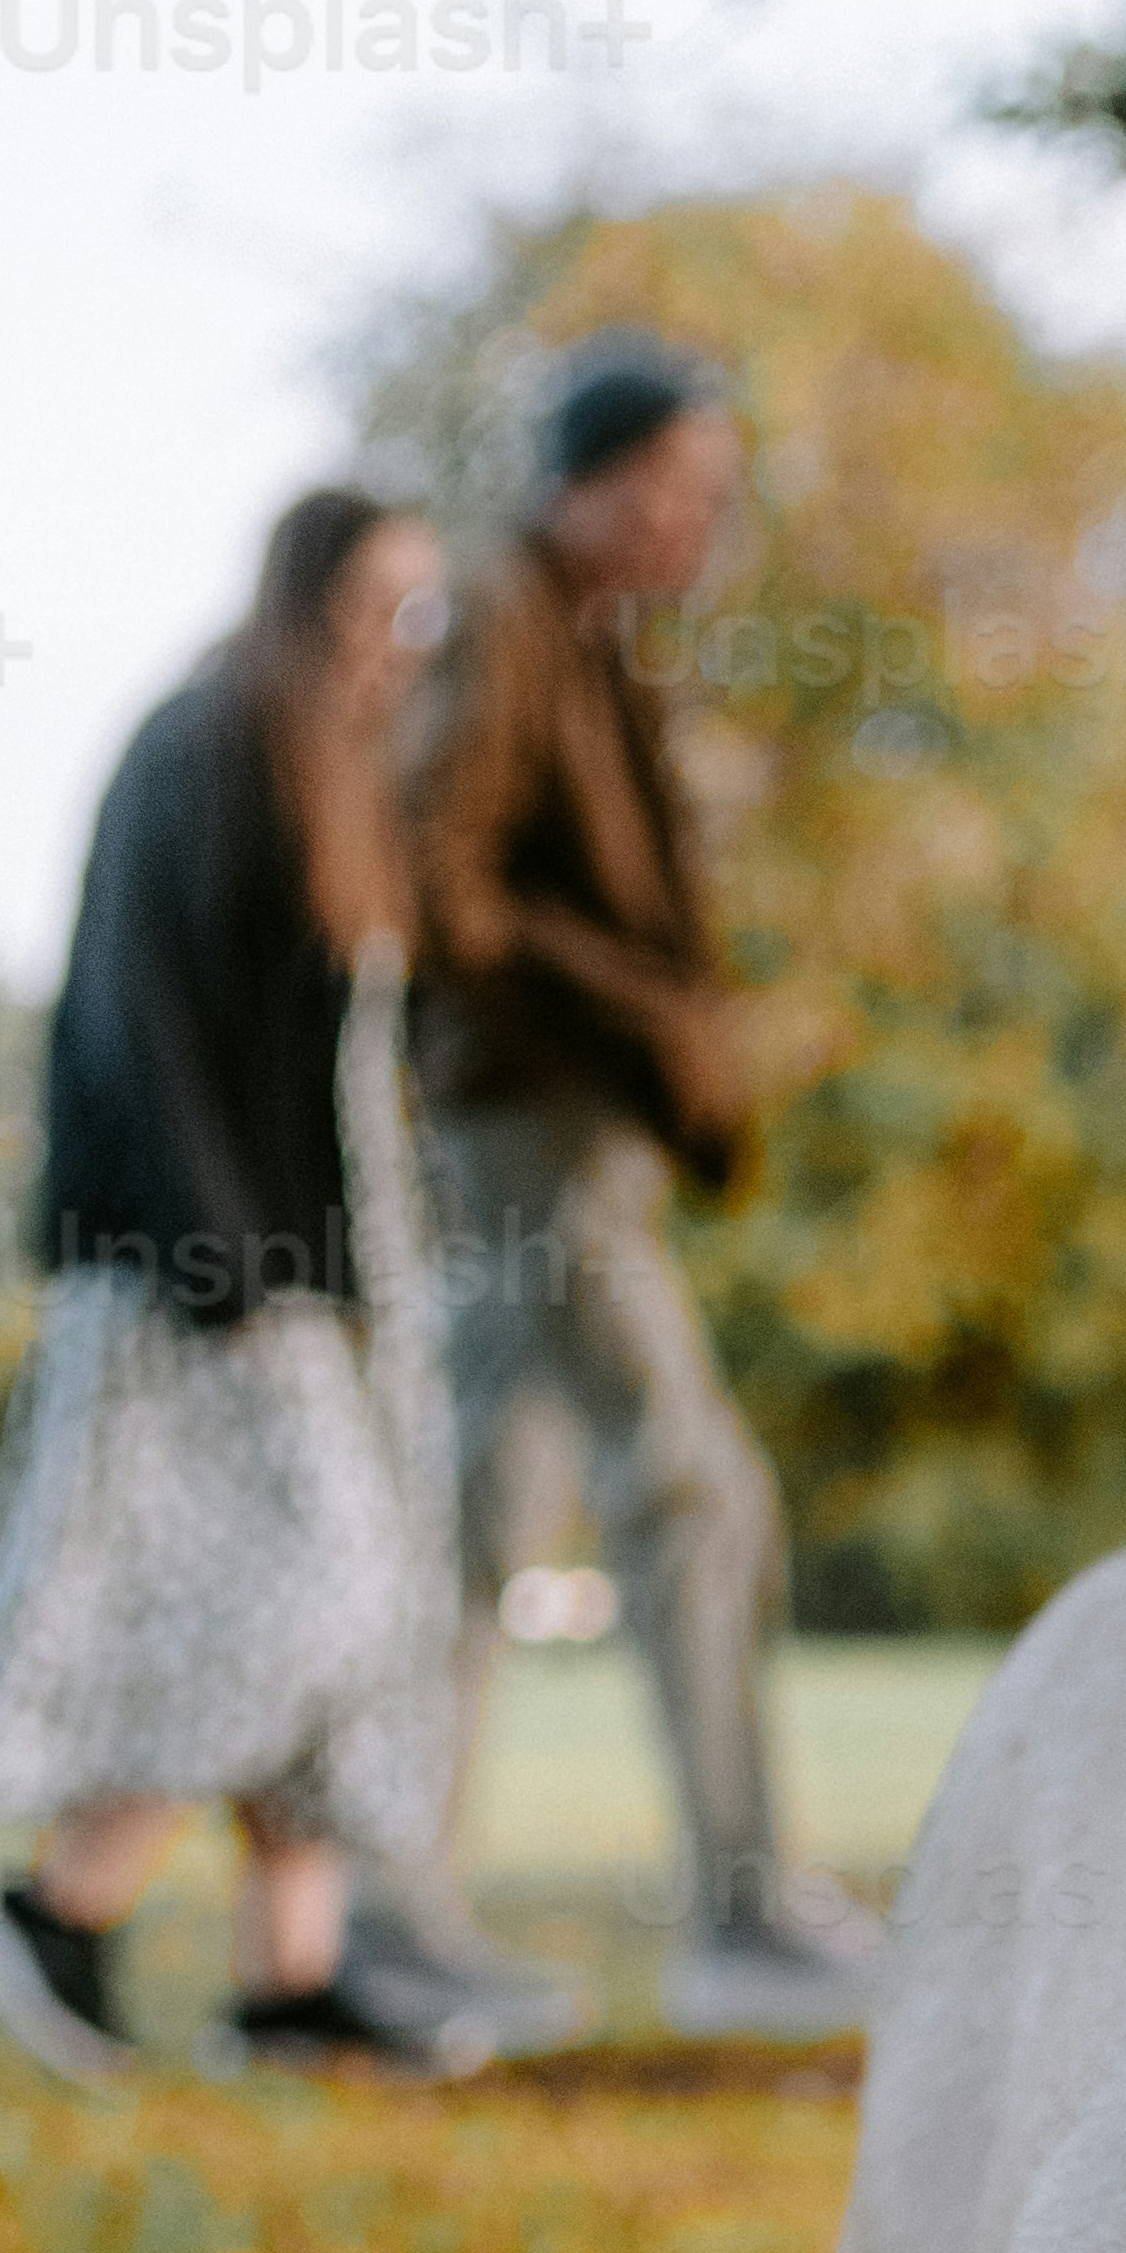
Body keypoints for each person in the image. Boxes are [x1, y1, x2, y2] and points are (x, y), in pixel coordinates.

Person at [0, 489, 540, 2084]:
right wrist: (237, 1272)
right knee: (317, 1593)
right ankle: (64, 1898)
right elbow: (142, 1029)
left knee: (363, 1601)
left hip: (326, 1287)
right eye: (381, 607)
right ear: (310, 595)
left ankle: (291, 1978)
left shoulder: (349, 777)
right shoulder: (200, 749)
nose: (402, 644)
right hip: (203, 1288)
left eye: (423, 613)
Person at [412, 331, 879, 2036]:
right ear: (590, 481)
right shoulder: (498, 613)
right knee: (689, 1488)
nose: (706, 522)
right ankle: (741, 1916)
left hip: (572, 1132)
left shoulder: (593, 639)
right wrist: (643, 1024)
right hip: (529, 1129)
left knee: (480, 1516)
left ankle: (392, 1904)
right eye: (686, 489)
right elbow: (438, 881)